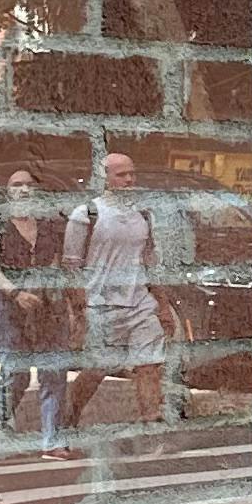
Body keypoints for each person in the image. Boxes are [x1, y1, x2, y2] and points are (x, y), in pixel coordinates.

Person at [64, 149, 171, 428]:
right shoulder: (86, 214)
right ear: (105, 178)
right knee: (97, 370)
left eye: (132, 174)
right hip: (102, 304)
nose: (129, 180)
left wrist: (162, 305)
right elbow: (71, 267)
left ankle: (151, 421)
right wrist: (80, 311)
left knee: (149, 366)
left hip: (140, 304)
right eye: (121, 174)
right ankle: (67, 419)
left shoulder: (143, 215)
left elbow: (149, 262)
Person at [0, 166, 69, 449]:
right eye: (17, 184)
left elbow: (56, 263)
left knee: (54, 373)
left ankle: (53, 440)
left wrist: (62, 300)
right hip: (8, 310)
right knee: (16, 374)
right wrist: (15, 292)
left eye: (29, 184)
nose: (24, 189)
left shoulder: (48, 223)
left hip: (46, 308)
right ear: (7, 191)